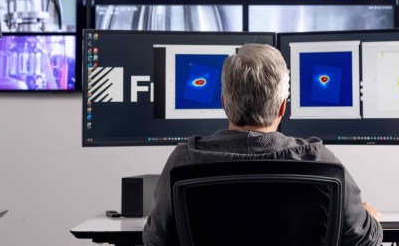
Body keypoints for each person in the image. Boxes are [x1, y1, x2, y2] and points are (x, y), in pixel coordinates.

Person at [142, 43, 382, 246]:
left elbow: (156, 239)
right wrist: (370, 221)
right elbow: (364, 239)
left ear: (224, 102)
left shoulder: (185, 160)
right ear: (282, 107)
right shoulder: (321, 161)